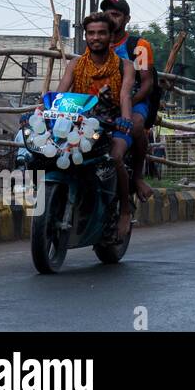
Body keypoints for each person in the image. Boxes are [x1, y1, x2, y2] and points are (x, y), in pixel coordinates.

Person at [53, 13, 136, 239]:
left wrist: (125, 119)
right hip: (78, 123)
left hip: (112, 125)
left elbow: (125, 95)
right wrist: (43, 109)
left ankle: (125, 210)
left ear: (111, 36)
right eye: (91, 33)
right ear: (86, 36)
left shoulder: (125, 66)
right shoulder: (76, 64)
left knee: (116, 156)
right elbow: (61, 94)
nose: (95, 37)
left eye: (101, 33)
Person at [101, 0, 155, 204]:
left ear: (126, 19)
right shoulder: (97, 43)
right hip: (101, 102)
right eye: (106, 14)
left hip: (134, 101)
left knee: (136, 125)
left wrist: (126, 104)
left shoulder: (139, 46)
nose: (110, 18)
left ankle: (138, 176)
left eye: (115, 14)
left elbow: (146, 83)